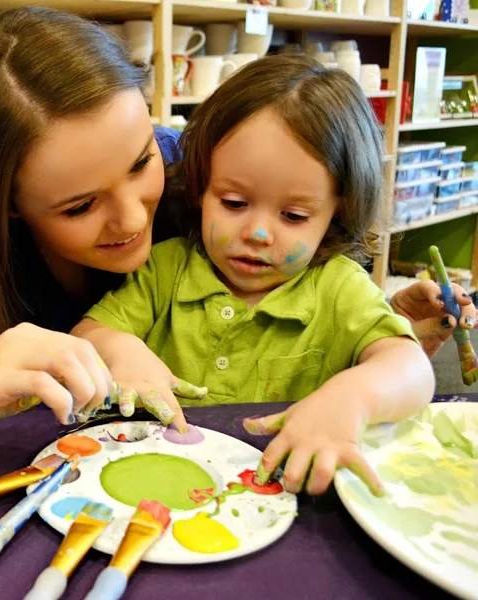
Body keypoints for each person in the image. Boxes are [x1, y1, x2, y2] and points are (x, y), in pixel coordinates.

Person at [0, 7, 470, 439]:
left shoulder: (209, 174)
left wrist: (368, 329)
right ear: (5, 202)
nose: (133, 216)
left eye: (143, 159)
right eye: (78, 206)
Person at [72, 54, 435, 497]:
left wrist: (352, 400)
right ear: (201, 187)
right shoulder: (166, 269)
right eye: (234, 203)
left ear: (337, 212)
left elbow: (412, 369)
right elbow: (87, 335)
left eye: (294, 214)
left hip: (281, 500)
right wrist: (120, 348)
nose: (258, 233)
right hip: (155, 486)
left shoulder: (338, 287)